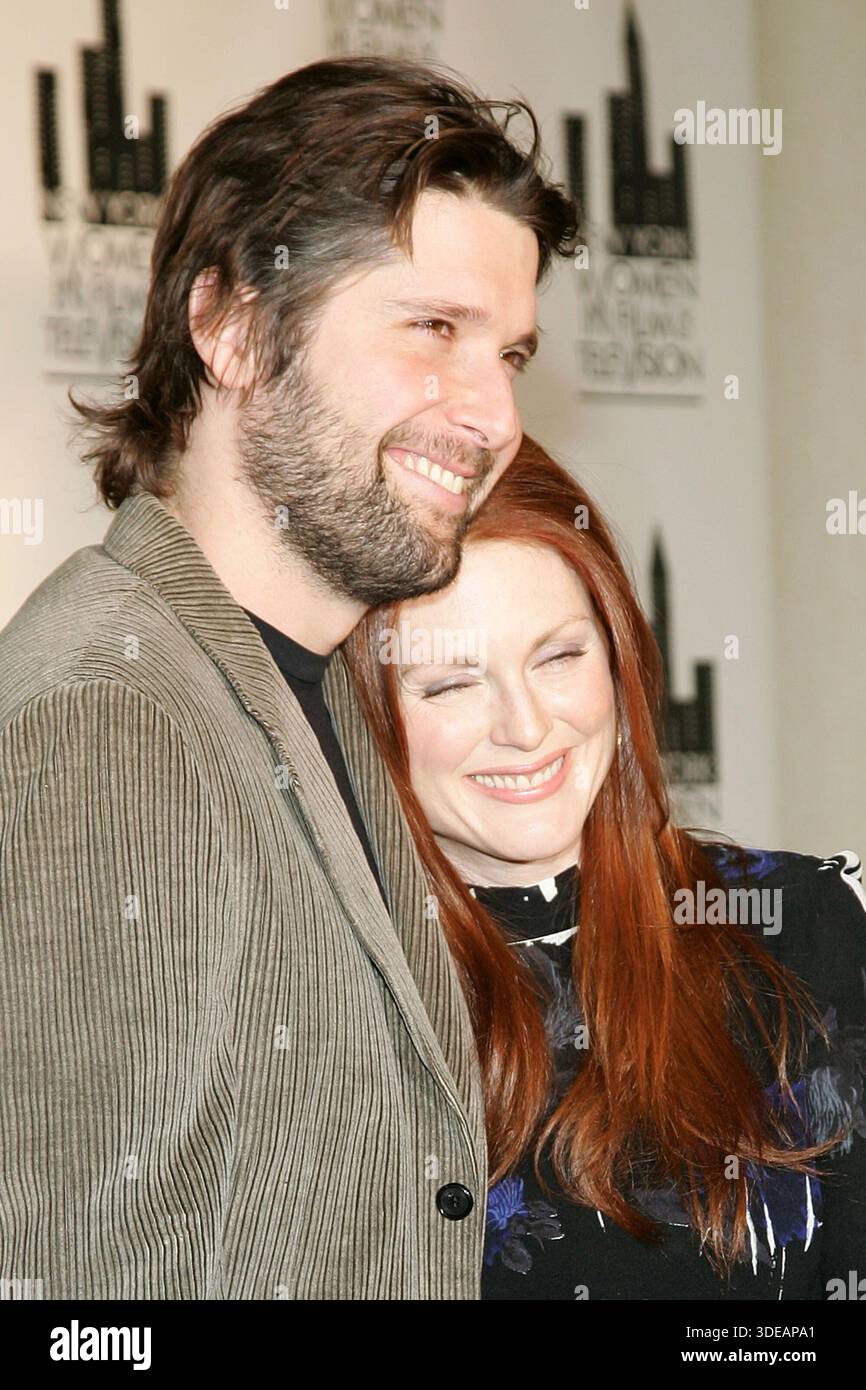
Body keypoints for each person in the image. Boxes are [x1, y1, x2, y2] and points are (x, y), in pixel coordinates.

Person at [0, 57, 581, 1299]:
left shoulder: (317, 694)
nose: (491, 417)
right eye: (432, 329)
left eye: (511, 355)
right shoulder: (114, 718)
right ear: (231, 326)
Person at [341, 434, 866, 1300]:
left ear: (620, 661)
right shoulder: (320, 981)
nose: (525, 725)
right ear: (366, 712)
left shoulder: (798, 924)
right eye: (450, 684)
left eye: (558, 657)